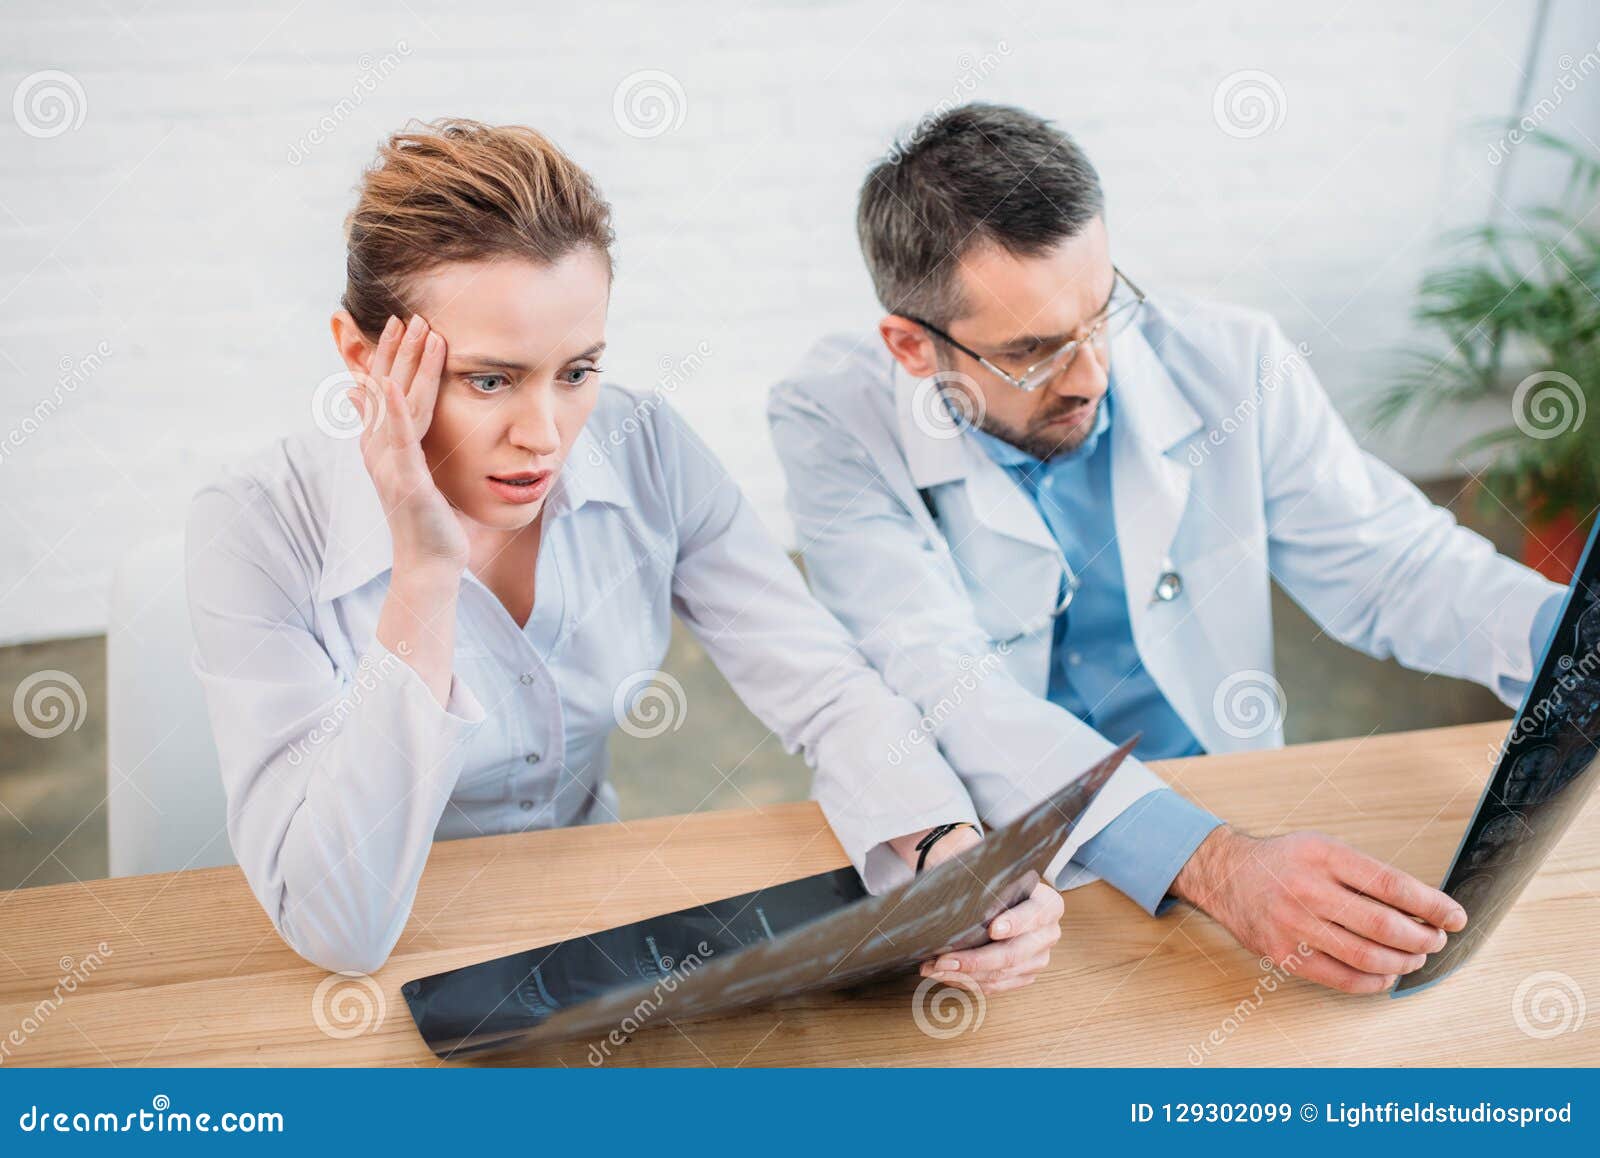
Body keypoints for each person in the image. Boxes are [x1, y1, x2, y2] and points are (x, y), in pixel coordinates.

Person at [184, 117, 1061, 989]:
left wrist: (943, 844)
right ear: (361, 356)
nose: (545, 435)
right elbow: (339, 928)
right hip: (383, 963)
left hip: (579, 933)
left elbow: (824, 689)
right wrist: (422, 574)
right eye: (490, 380)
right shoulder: (254, 529)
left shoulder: (643, 447)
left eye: (576, 371)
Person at [767, 102, 1566, 995]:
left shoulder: (1230, 358)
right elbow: (938, 679)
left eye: (1101, 314)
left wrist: (1570, 640)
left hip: (1230, 805)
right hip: (1001, 862)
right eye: (1031, 353)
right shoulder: (833, 418)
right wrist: (1212, 865)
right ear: (913, 348)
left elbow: (1391, 560)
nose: (1091, 376)